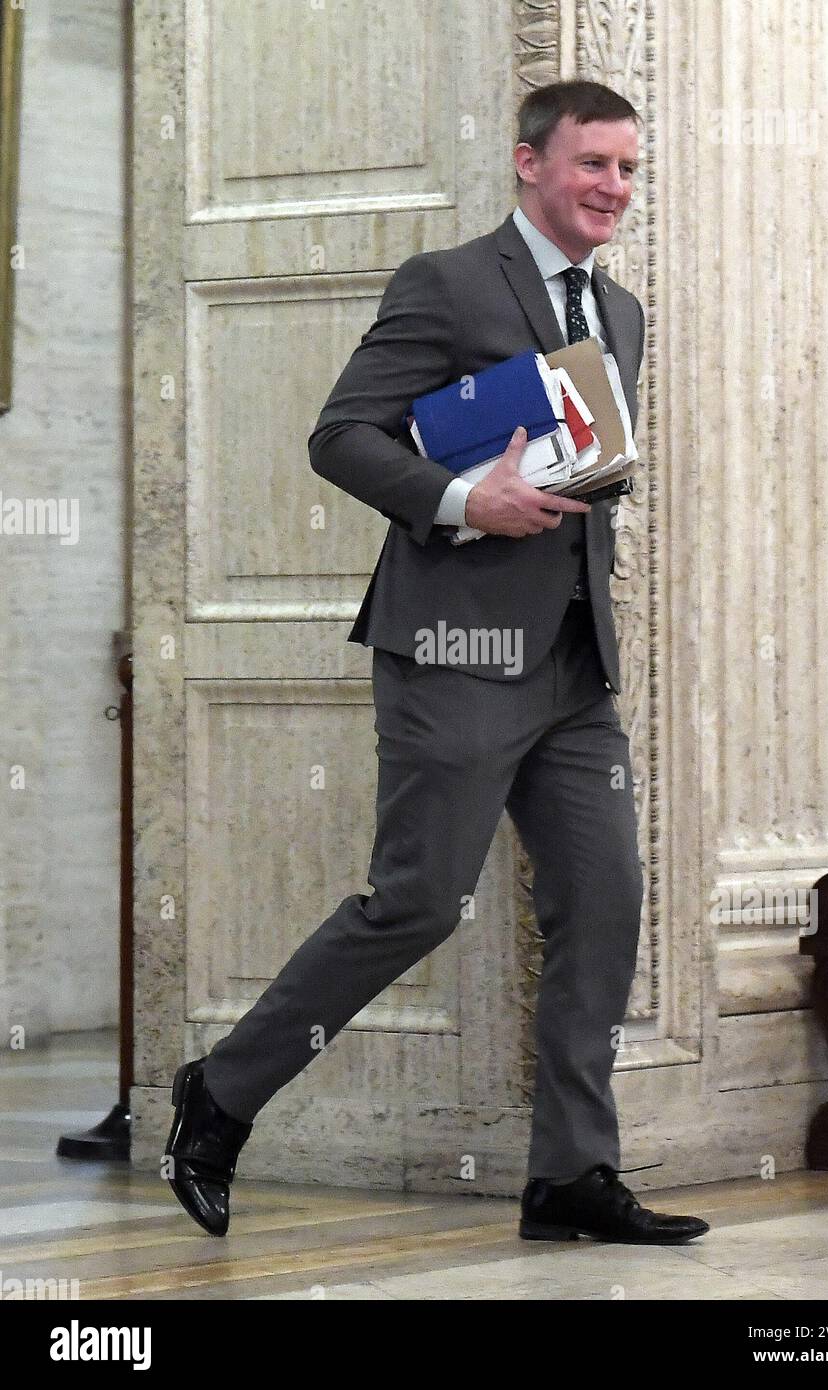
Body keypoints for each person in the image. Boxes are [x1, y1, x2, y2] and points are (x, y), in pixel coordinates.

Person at [164, 78, 709, 1246]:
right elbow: (340, 434)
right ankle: (220, 1091)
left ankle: (569, 1174)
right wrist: (466, 497)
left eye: (626, 168)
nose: (613, 187)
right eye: (591, 165)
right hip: (455, 654)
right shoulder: (447, 282)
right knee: (415, 900)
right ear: (526, 164)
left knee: (606, 902)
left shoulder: (621, 314)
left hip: (572, 666)